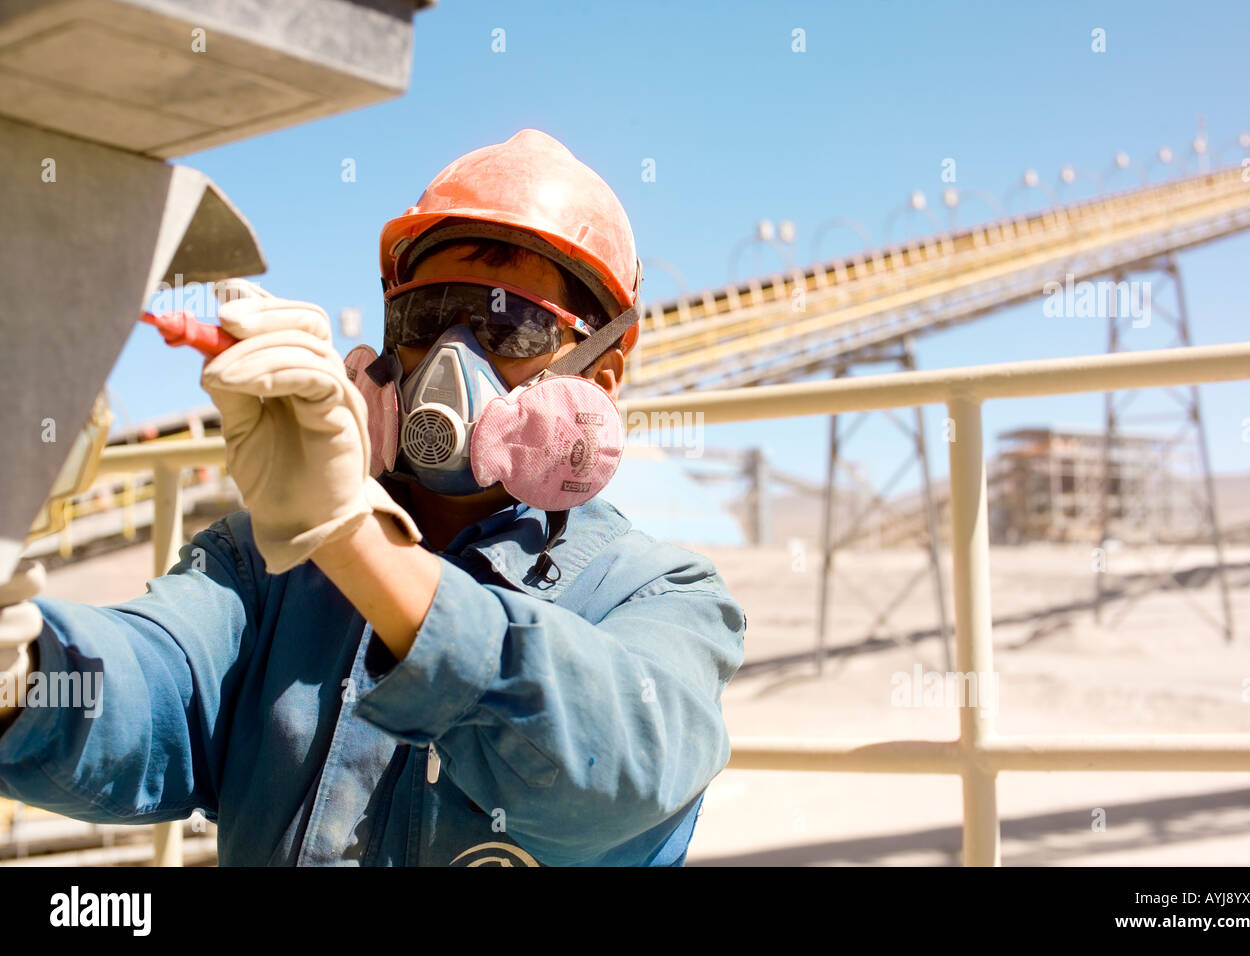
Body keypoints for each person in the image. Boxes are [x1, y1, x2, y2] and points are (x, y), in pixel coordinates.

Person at [0, 129, 746, 866]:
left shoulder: (663, 593)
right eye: (426, 319)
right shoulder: (268, 562)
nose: (454, 359)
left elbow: (621, 770)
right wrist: (21, 674)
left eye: (508, 323)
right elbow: (154, 685)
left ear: (601, 380)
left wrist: (349, 534)